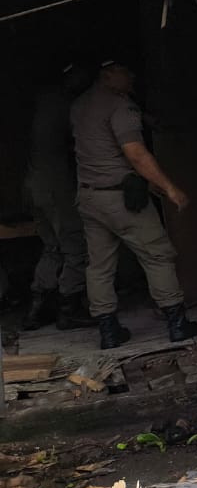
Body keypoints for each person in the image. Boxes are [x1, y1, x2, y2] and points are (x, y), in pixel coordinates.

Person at [70, 61, 197, 349]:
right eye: (124, 72)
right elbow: (136, 154)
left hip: (90, 197)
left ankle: (107, 330)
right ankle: (177, 323)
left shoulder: (80, 104)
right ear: (107, 76)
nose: (132, 75)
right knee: (157, 255)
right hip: (121, 199)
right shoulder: (119, 106)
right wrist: (170, 188)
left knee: (99, 266)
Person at [22, 64, 95, 331]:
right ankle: (69, 308)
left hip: (33, 185)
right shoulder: (66, 104)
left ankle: (36, 309)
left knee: (52, 247)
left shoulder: (42, 102)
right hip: (55, 186)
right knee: (74, 244)